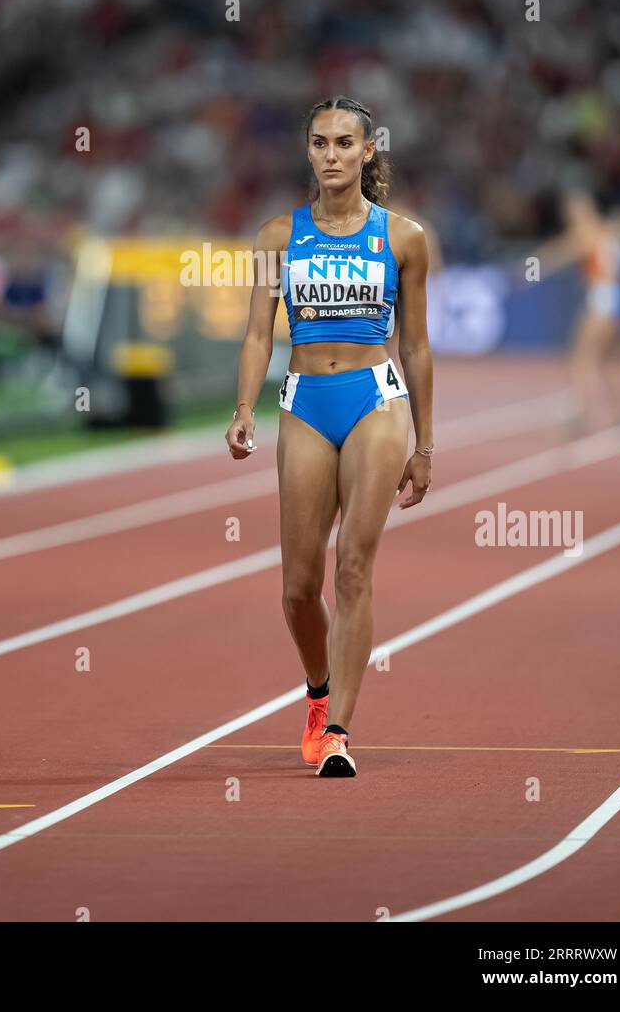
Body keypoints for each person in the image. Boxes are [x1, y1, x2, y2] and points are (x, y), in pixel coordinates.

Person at [225, 96, 434, 777]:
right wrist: (243, 409)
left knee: (353, 567)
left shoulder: (403, 237)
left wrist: (424, 446)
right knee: (296, 585)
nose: (333, 155)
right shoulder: (277, 236)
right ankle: (317, 691)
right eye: (321, 143)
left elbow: (418, 346)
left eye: (346, 143)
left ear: (368, 151)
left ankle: (338, 731)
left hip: (376, 399)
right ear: (308, 152)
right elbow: (259, 331)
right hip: (306, 400)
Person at [536, 190, 620, 432]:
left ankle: (583, 415)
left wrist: (530, 269)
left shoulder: (586, 232)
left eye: (574, 210)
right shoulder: (606, 230)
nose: (570, 216)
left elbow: (560, 253)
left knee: (582, 358)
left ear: (585, 210)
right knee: (613, 359)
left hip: (602, 297)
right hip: (618, 297)